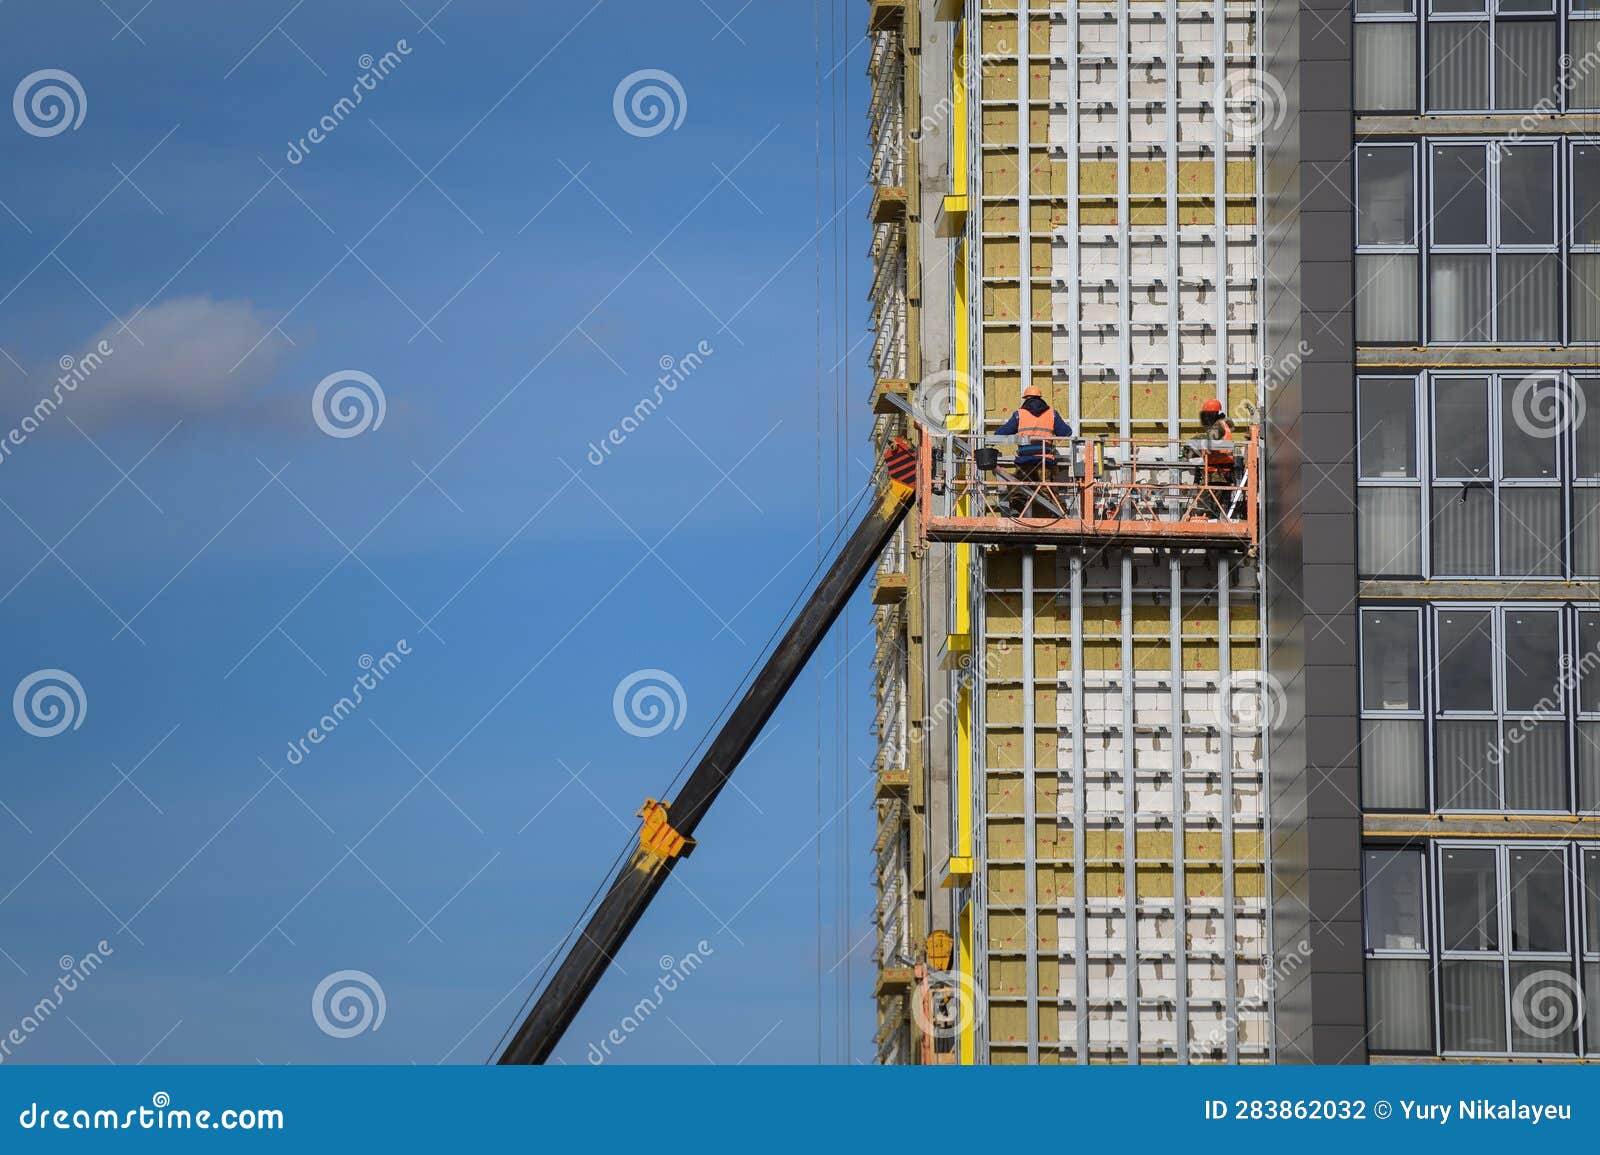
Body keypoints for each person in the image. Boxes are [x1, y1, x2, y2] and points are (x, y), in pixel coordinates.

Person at [995, 385, 1073, 515]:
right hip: (1044, 460)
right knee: (1048, 490)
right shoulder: (1052, 413)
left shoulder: (1019, 414)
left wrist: (996, 433)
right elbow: (1067, 432)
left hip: (1025, 460)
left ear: (1026, 399)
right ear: (1040, 399)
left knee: (1019, 487)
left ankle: (1017, 509)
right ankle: (1061, 513)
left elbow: (1003, 432)